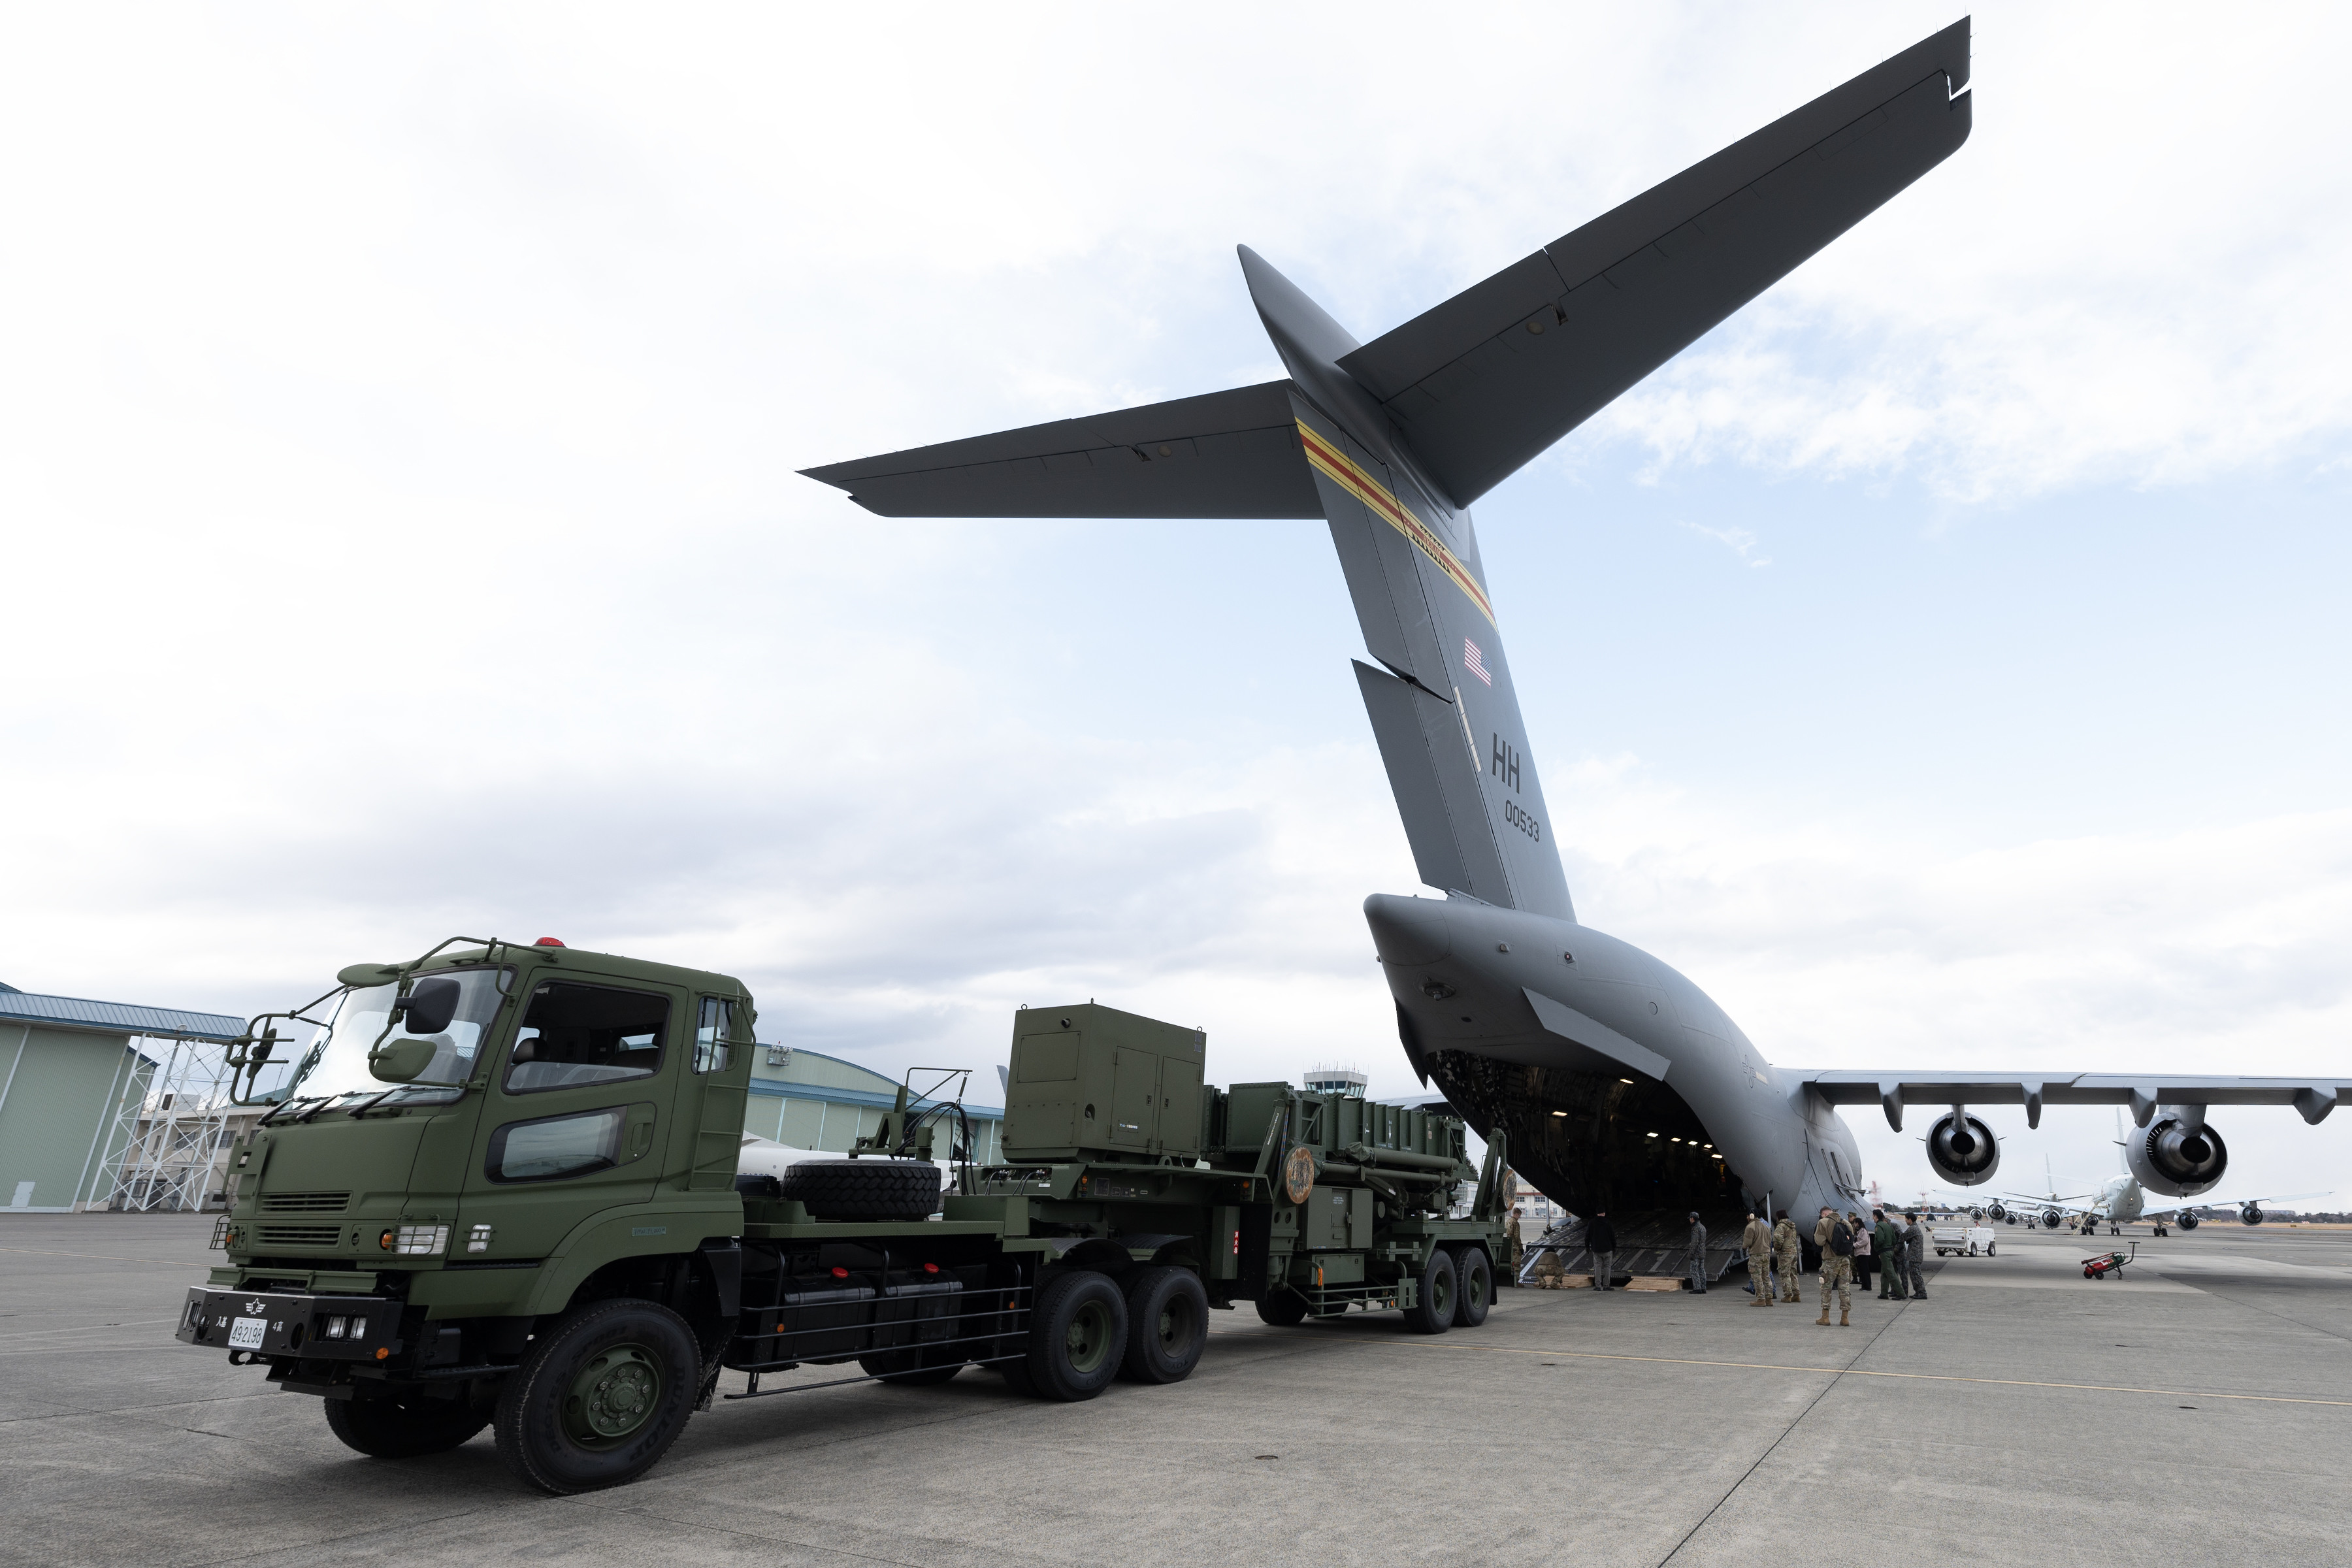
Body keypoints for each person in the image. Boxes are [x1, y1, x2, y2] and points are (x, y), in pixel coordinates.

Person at [1813, 1205, 1854, 1326]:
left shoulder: (1823, 1222)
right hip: (1845, 1259)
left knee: (1826, 1287)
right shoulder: (1846, 1223)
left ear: (1824, 1214)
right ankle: (1845, 1318)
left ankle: (1825, 1317)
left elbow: (1819, 1241)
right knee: (1844, 1288)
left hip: (1831, 1259)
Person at [1740, 1209, 1774, 1305]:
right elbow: (1769, 1241)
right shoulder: (1766, 1226)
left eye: (1748, 1215)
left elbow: (1747, 1243)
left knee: (1757, 1277)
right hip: (1766, 1254)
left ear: (1752, 1216)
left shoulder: (1750, 1227)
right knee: (1766, 1277)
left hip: (1756, 1255)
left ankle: (1761, 1299)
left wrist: (1744, 1247)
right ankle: (1769, 1299)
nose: (1747, 1217)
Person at [1873, 1209, 1904, 1299]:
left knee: (1891, 1273)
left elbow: (1880, 1240)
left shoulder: (1879, 1226)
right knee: (1884, 1274)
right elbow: (1894, 1239)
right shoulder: (1888, 1226)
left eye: (1873, 1216)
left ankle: (1901, 1294)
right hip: (1890, 1251)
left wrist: (1877, 1249)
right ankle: (1884, 1293)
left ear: (1875, 1216)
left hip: (1884, 1252)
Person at [1772, 1213, 1802, 1301]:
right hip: (1793, 1252)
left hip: (1785, 1253)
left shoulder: (1781, 1226)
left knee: (1785, 1274)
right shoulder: (1792, 1226)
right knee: (1793, 1273)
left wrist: (1778, 1248)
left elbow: (1778, 1238)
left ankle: (1788, 1295)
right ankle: (1796, 1294)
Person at [1587, 1209, 1617, 1291]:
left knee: (1597, 1267)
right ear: (1604, 1213)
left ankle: (1598, 1286)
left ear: (1597, 1214)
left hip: (1596, 1249)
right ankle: (1606, 1286)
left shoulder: (1592, 1223)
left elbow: (1588, 1236)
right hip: (1607, 1249)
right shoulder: (1608, 1223)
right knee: (1607, 1267)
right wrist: (1614, 1247)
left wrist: (1587, 1246)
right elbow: (1612, 1236)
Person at [1901, 1211, 1929, 1299]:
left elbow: (1903, 1236)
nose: (1905, 1221)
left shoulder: (1913, 1228)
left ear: (1910, 1219)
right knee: (1914, 1275)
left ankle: (1922, 1292)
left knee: (1916, 1274)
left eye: (1906, 1219)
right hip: (1915, 1255)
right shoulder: (1915, 1228)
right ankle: (1918, 1292)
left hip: (1915, 1256)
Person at [1848, 1210, 1874, 1294]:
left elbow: (1864, 1241)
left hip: (1863, 1253)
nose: (1855, 1225)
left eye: (1855, 1223)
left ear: (1858, 1223)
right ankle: (1864, 1286)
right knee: (1862, 1271)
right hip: (1859, 1253)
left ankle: (1867, 1286)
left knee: (1865, 1271)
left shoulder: (1863, 1231)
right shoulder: (1859, 1231)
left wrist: (1855, 1245)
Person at [1687, 1211, 1709, 1294]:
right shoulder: (1703, 1227)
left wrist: (1691, 1253)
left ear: (1692, 1219)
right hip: (1703, 1252)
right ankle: (1703, 1288)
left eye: (1690, 1218)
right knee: (1702, 1270)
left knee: (1694, 1270)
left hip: (1696, 1253)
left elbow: (1694, 1242)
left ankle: (1697, 1288)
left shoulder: (1695, 1228)